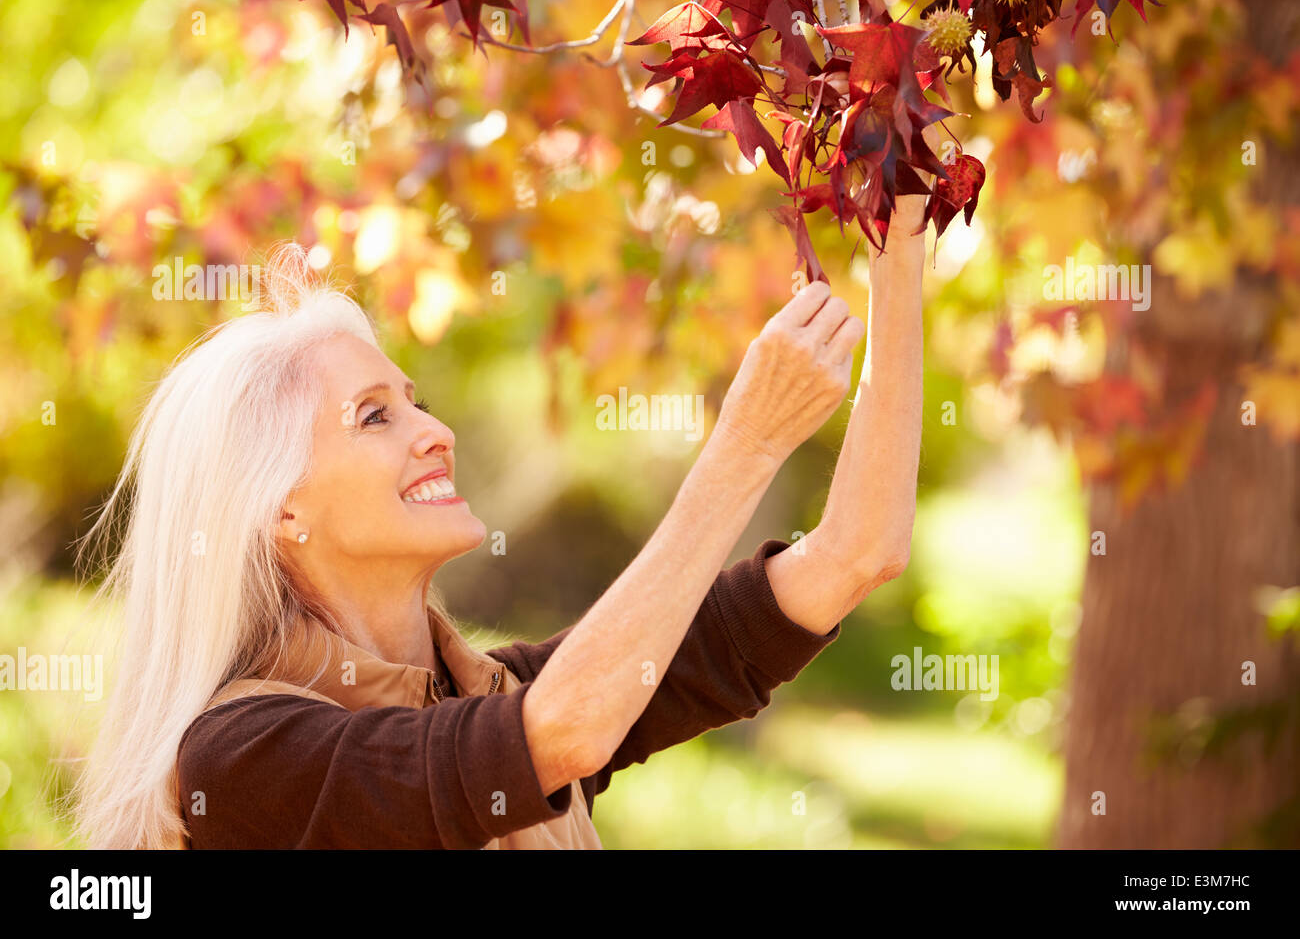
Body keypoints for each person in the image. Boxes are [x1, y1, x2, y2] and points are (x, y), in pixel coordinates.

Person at [69, 194, 926, 849]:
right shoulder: (244, 752)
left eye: (417, 403)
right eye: (375, 417)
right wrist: (743, 447)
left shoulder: (502, 694)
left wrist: (902, 238)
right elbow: (548, 736)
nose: (435, 432)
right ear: (279, 505)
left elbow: (857, 552)